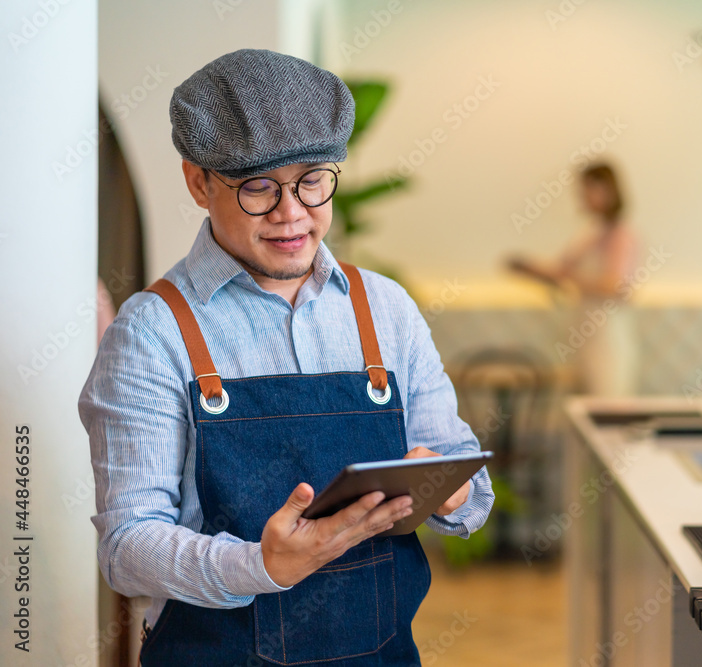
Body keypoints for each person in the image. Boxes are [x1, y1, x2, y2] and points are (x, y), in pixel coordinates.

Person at [79, 49, 494, 666]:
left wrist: (446, 490)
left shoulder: (384, 309)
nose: (292, 213)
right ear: (199, 182)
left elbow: (471, 482)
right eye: (258, 188)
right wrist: (260, 565)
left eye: (313, 181)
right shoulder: (152, 331)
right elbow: (126, 547)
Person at [508, 163, 639, 395]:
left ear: (609, 191)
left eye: (590, 189)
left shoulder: (621, 235)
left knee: (606, 406)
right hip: (583, 333)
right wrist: (531, 270)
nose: (584, 197)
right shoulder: (590, 233)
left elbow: (615, 286)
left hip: (606, 337)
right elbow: (561, 271)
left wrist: (571, 278)